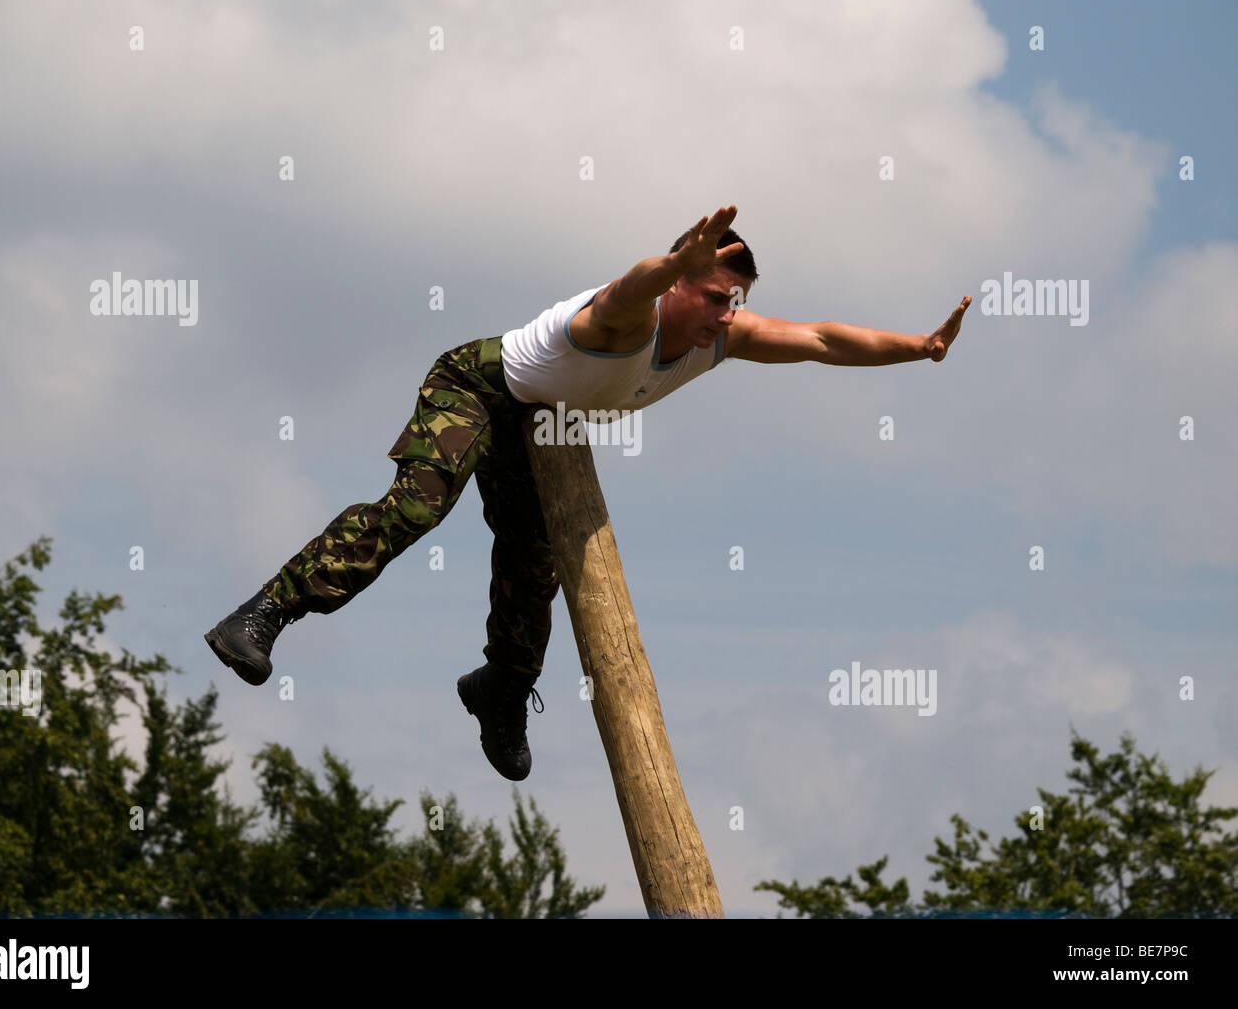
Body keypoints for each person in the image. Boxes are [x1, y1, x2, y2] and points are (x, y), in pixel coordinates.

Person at [204, 205, 970, 780]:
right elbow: (633, 286)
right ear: (676, 283)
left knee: (537, 564)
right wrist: (670, 267)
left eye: (735, 301)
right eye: (713, 295)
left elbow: (824, 339)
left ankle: (500, 688)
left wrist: (922, 348)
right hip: (479, 387)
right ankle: (267, 610)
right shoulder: (621, 321)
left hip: (546, 427)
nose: (725, 315)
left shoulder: (718, 339)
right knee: (418, 506)